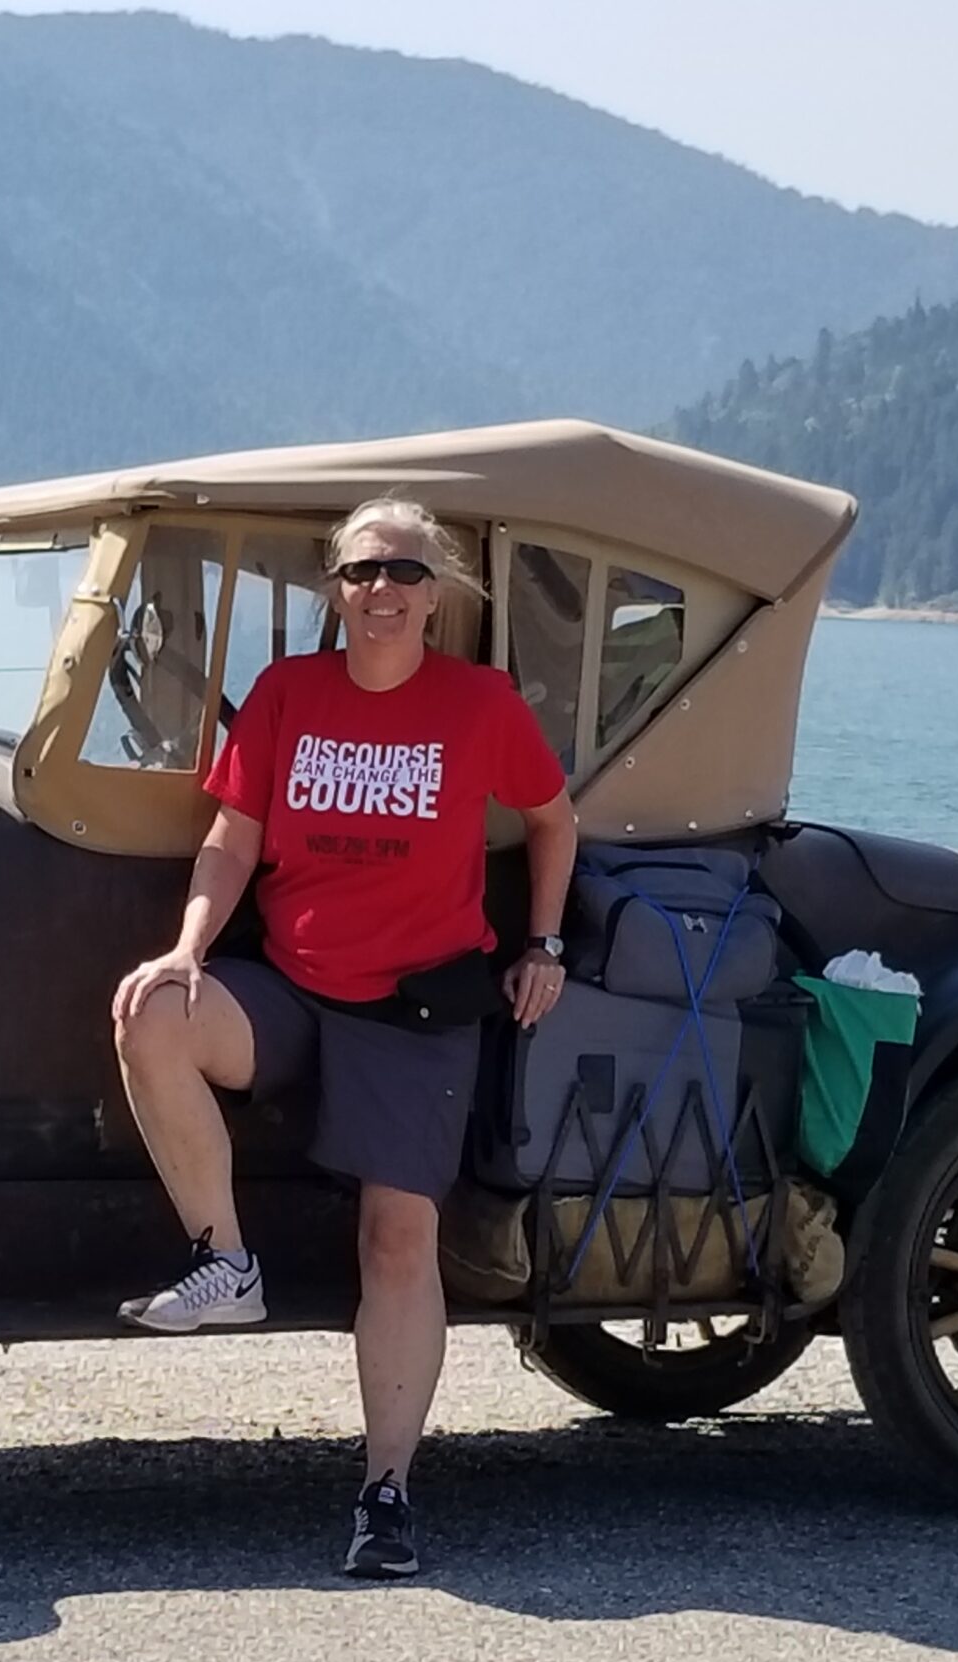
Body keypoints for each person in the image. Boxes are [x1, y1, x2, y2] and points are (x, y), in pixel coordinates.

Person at [109, 495, 579, 1578]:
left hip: (414, 1011)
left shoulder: (478, 704)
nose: (383, 591)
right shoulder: (288, 695)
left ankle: (386, 1491)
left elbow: (552, 817)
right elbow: (233, 835)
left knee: (397, 1242)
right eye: (363, 571)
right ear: (336, 585)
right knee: (150, 1013)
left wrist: (542, 943)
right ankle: (224, 1263)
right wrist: (187, 949)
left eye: (405, 573)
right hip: (292, 987)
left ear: (436, 593)